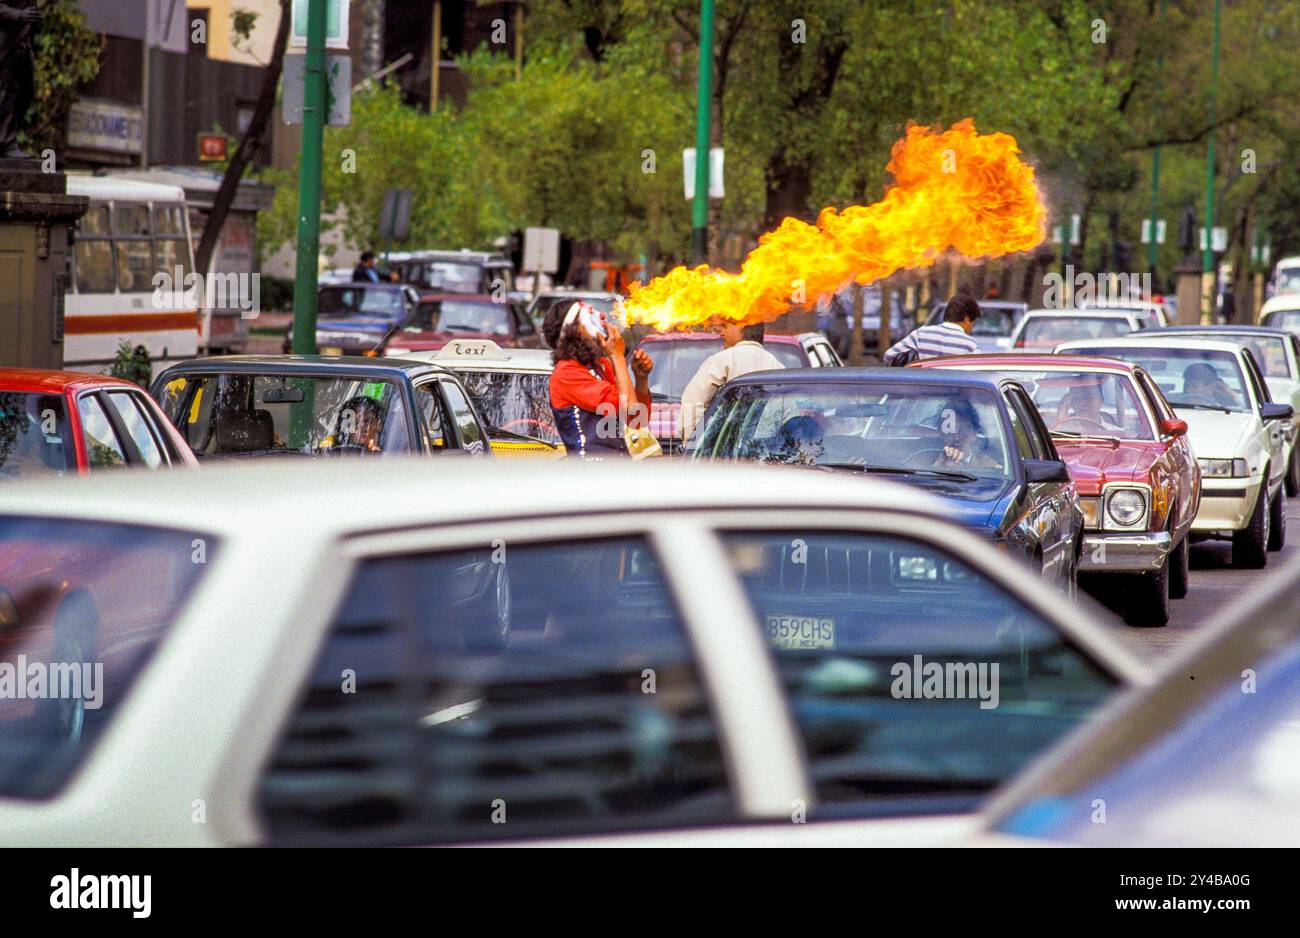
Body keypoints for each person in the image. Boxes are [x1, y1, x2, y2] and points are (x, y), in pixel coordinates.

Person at [548, 301, 653, 458]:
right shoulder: (567, 373)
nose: (601, 315)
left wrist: (641, 379)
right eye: (590, 313)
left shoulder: (602, 365)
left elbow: (636, 420)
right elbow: (629, 408)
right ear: (575, 330)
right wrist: (617, 356)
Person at [679, 320, 785, 440]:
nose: (721, 333)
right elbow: (786, 413)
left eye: (725, 327)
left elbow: (693, 402)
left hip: (725, 449)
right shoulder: (778, 366)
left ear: (741, 326)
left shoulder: (722, 360)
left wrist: (694, 443)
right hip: (764, 449)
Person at [884, 292, 981, 365]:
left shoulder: (920, 334)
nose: (971, 329)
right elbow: (978, 372)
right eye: (973, 323)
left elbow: (889, 356)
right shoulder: (969, 344)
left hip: (921, 389)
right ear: (966, 319)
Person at [933, 399, 999, 470]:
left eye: (963, 430)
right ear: (941, 434)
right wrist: (937, 468)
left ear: (974, 434)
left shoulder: (987, 466)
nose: (956, 438)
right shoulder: (926, 461)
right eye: (949, 429)